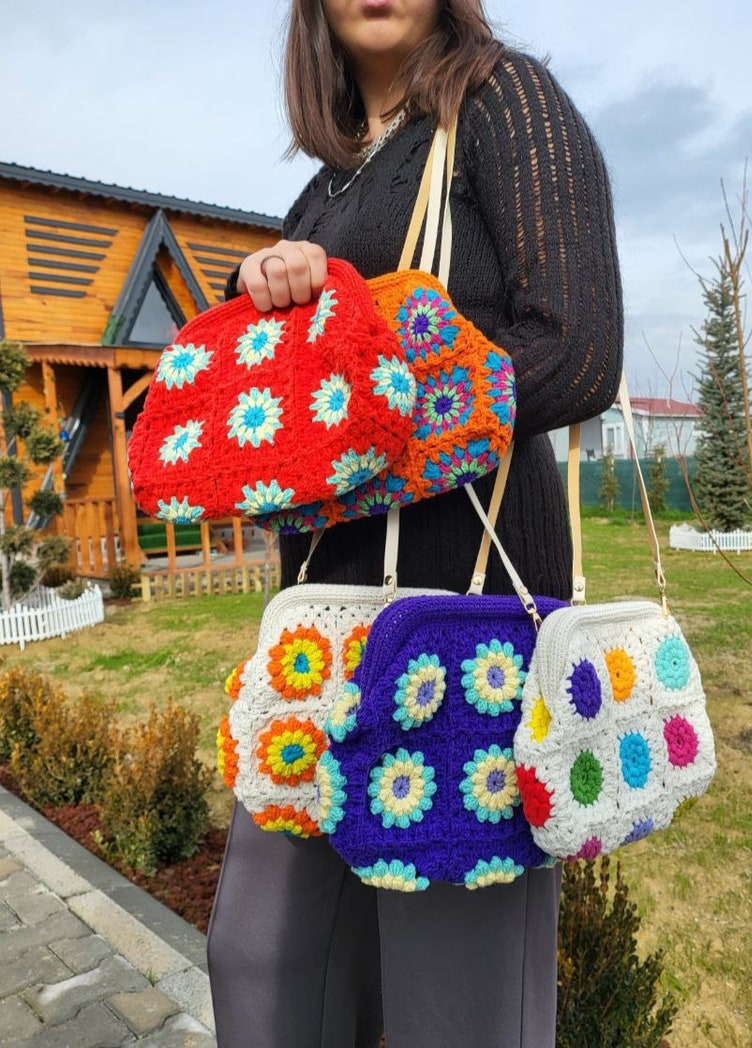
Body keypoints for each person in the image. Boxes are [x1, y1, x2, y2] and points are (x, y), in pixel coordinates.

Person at [206, 2, 623, 1046]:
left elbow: (575, 348)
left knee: (454, 1007)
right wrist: (259, 283)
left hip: (463, 620)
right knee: (261, 956)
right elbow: (278, 411)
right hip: (320, 636)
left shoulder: (500, 102)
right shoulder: (329, 183)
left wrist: (380, 412)